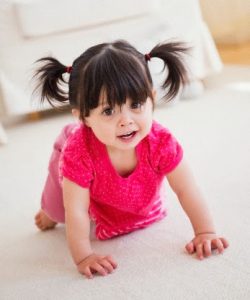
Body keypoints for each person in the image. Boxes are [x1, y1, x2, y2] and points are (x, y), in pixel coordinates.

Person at [33, 40, 229, 279]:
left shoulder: (160, 141)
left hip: (117, 190)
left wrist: (205, 231)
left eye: (136, 104)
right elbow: (76, 210)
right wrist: (84, 256)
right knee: (58, 210)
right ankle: (47, 212)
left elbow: (187, 188)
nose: (126, 121)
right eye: (108, 111)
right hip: (72, 160)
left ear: (152, 99)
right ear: (84, 117)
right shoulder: (77, 152)